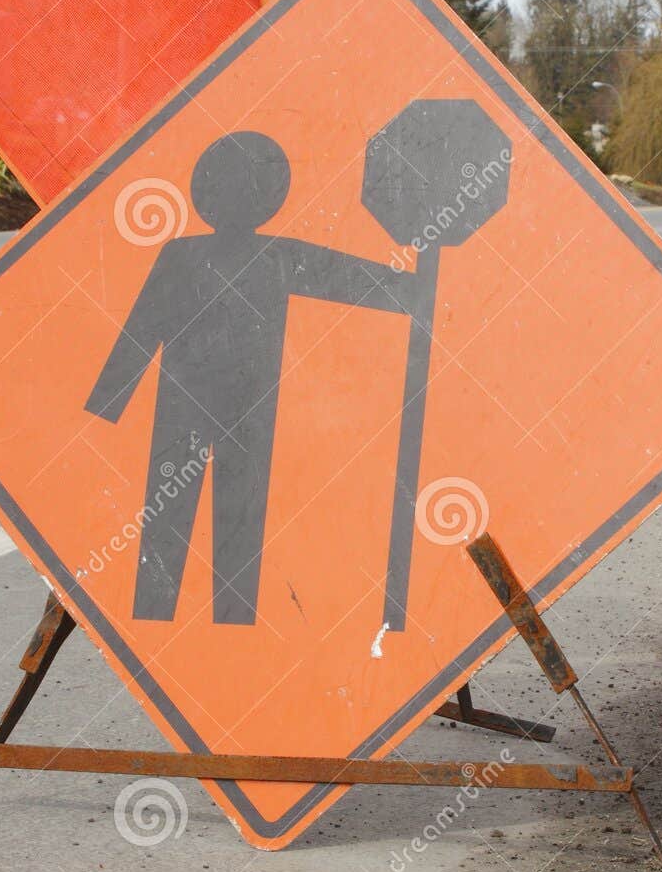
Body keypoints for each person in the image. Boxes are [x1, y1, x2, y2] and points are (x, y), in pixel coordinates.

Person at [85, 131, 419, 626]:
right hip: (199, 410)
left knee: (229, 523)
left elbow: (344, 276)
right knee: (178, 522)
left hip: (239, 412)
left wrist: (415, 290)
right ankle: (172, 621)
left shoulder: (259, 255)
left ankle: (226, 627)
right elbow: (143, 327)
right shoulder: (195, 255)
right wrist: (106, 403)